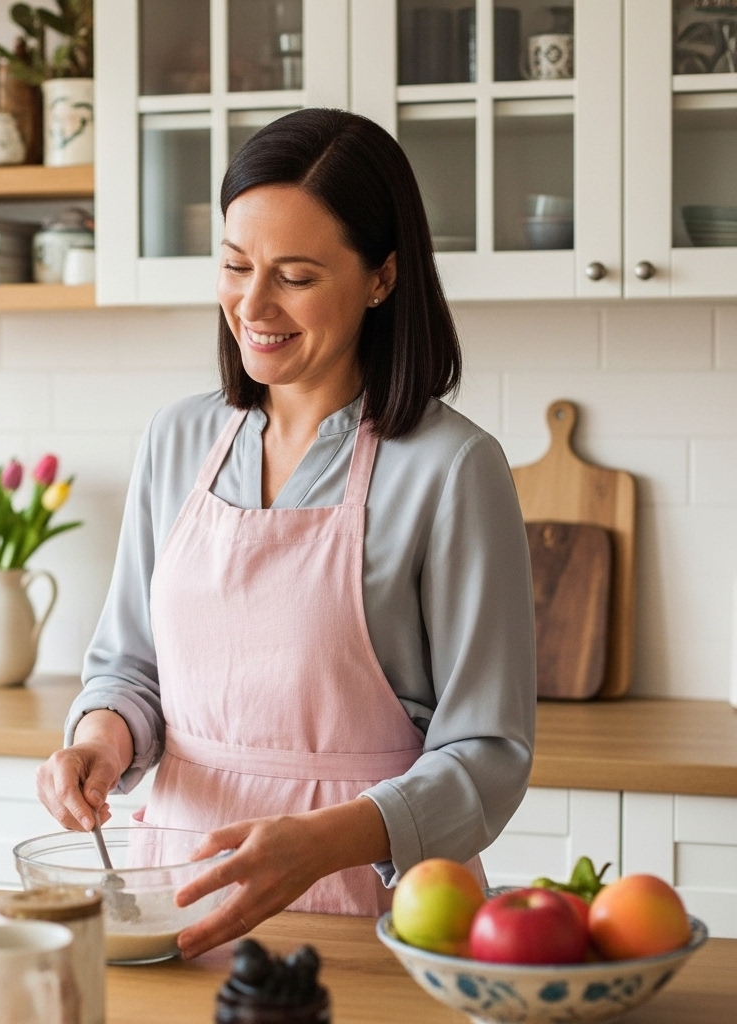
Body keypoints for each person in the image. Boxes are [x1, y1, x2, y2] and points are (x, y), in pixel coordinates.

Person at [36, 108, 536, 959]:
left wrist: (322, 842)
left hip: (372, 905)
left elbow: (488, 754)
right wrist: (98, 740)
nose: (253, 304)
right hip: (175, 888)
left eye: (296, 276)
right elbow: (129, 666)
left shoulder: (453, 469)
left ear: (381, 277)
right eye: (235, 266)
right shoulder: (177, 440)